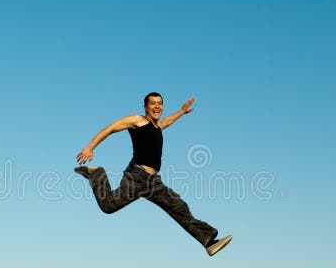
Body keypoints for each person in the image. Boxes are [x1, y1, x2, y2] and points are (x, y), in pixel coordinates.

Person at [74, 92, 233, 256]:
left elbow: (167, 122)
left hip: (153, 181)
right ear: (145, 107)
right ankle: (97, 175)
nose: (157, 106)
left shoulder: (157, 127)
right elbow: (110, 129)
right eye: (153, 103)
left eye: (160, 103)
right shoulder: (137, 120)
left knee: (179, 206)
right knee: (108, 206)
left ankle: (209, 241)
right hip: (136, 176)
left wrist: (182, 111)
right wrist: (90, 147)